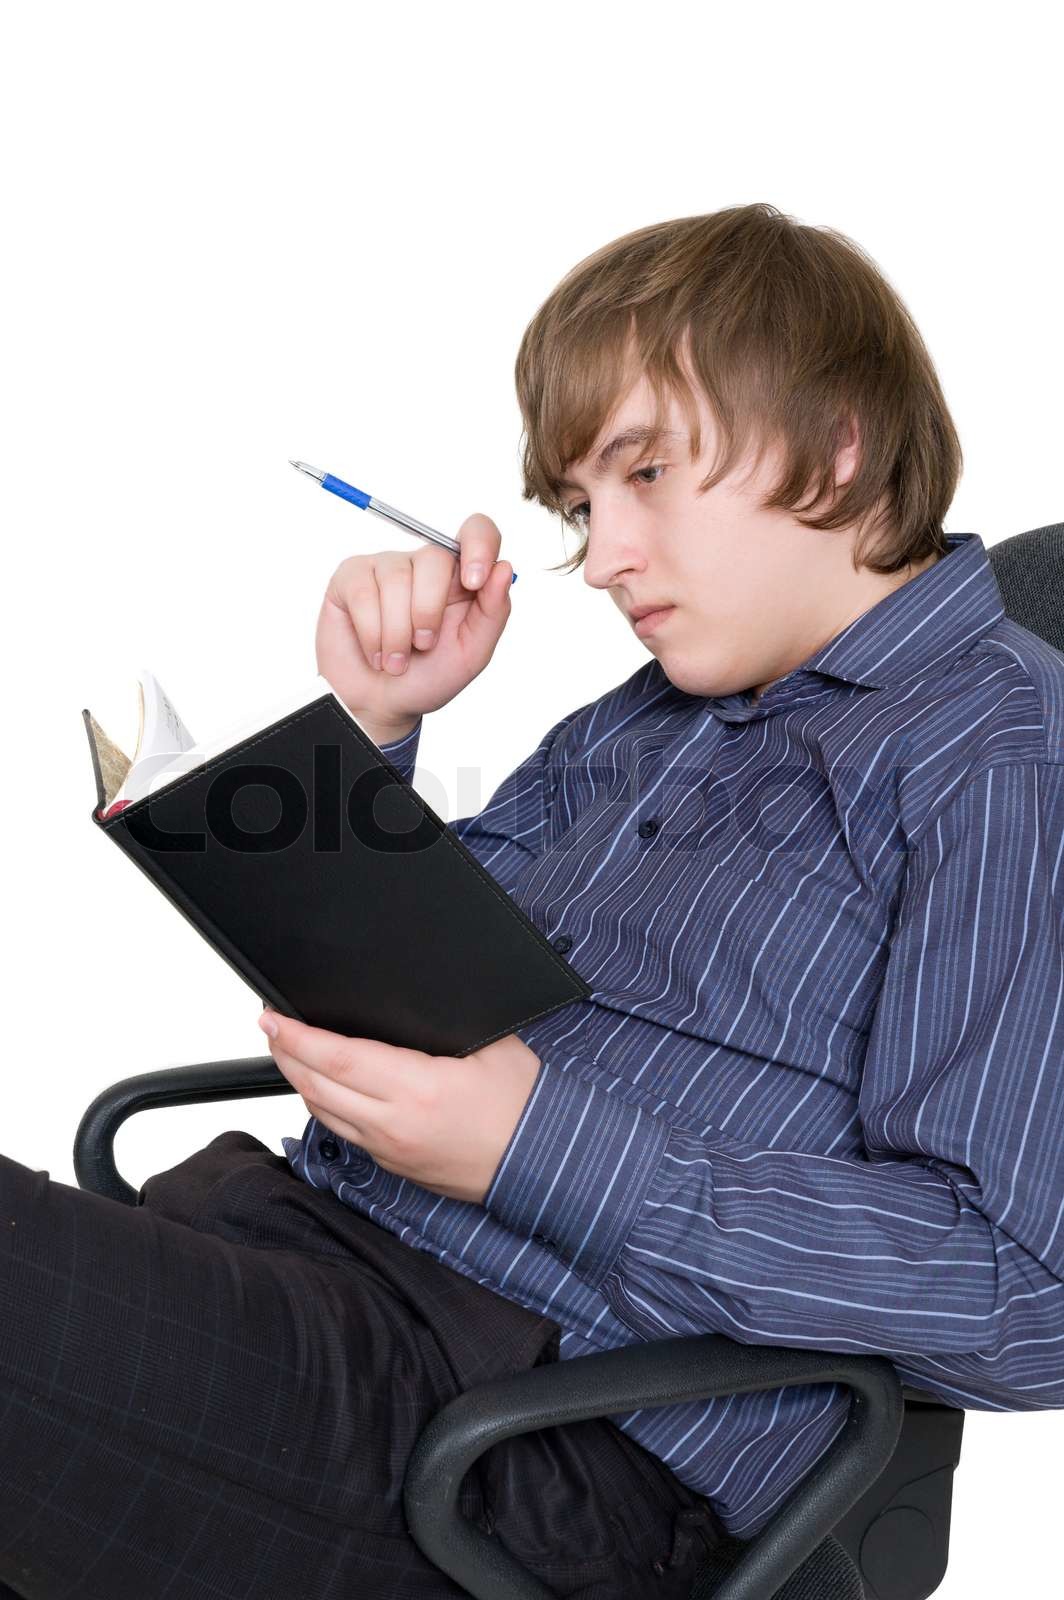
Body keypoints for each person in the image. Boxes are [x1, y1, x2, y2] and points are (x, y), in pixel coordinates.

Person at [2, 202, 1061, 1599]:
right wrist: (379, 727)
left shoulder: (1001, 760)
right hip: (291, 1259)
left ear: (839, 445)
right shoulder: (637, 725)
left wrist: (534, 1147)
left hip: (521, 1438)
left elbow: (1015, 1297)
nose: (606, 556)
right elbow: (440, 978)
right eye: (579, 506)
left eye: (647, 476)